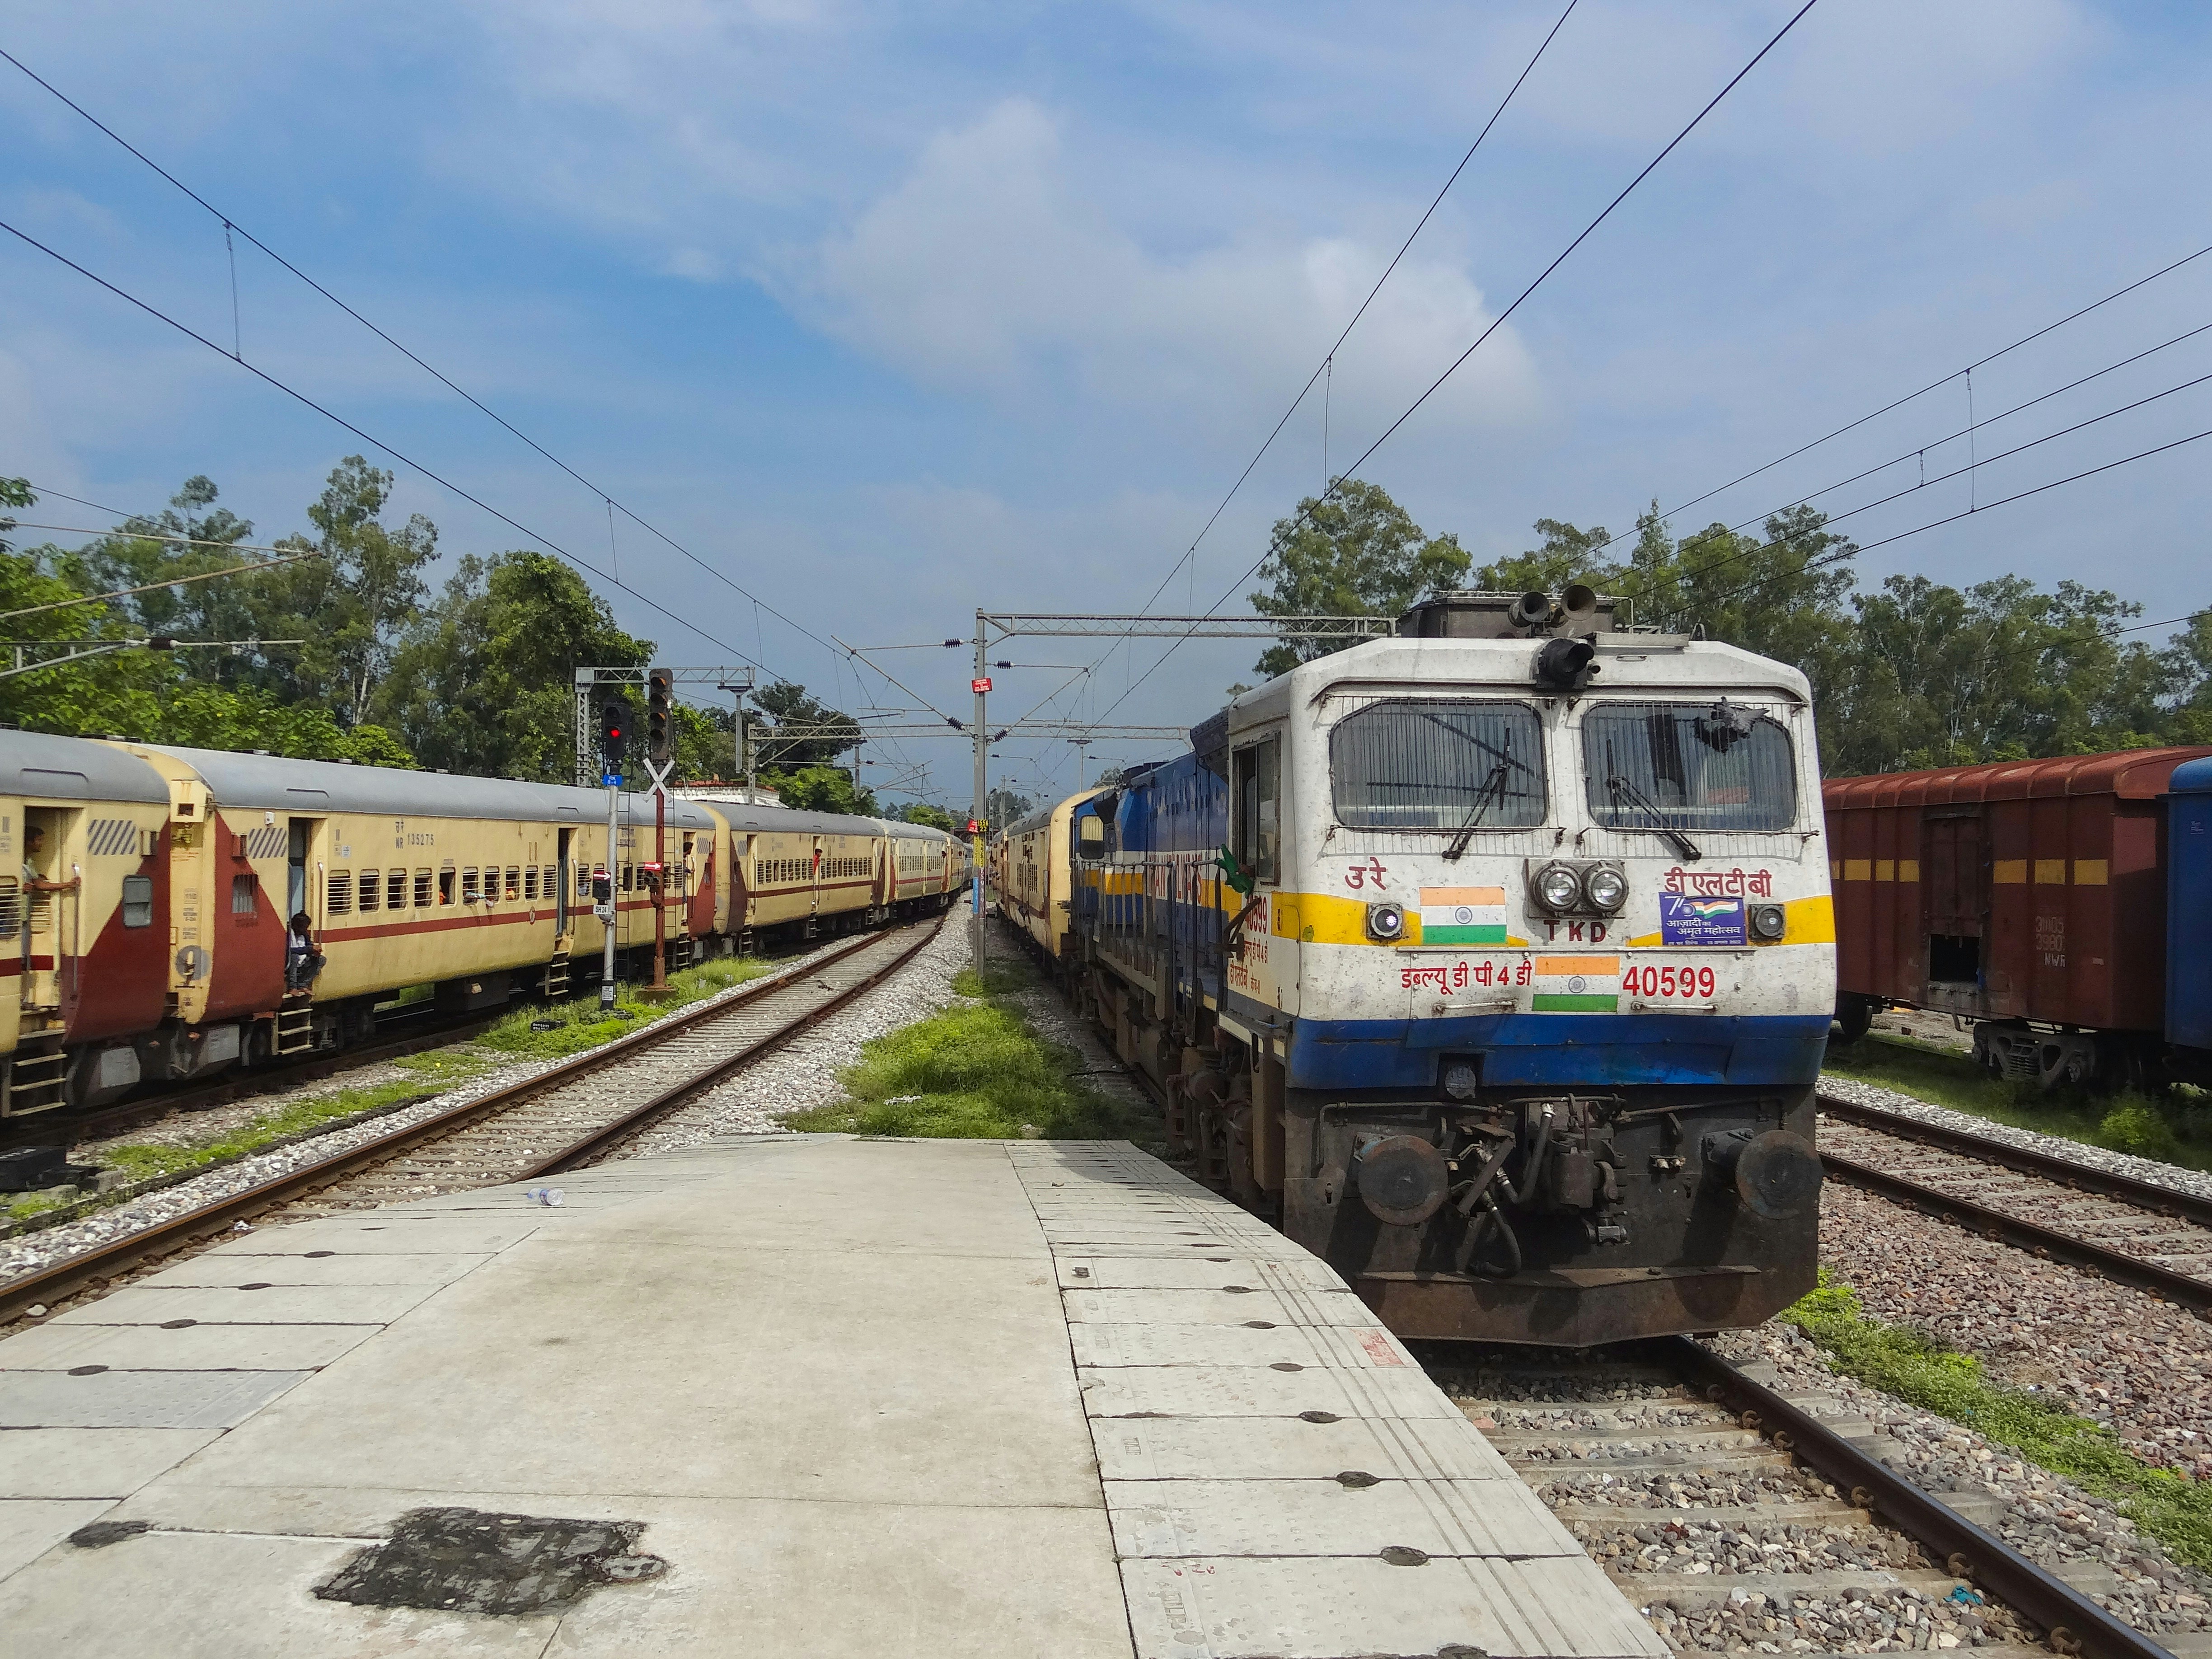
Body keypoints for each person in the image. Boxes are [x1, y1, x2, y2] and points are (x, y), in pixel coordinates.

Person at [285, 911, 325, 993]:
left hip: (303, 959)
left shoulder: (304, 934)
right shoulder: (288, 934)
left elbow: (308, 945)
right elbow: (290, 950)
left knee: (321, 959)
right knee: (294, 957)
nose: (305, 929)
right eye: (303, 927)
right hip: (289, 961)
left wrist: (315, 951)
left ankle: (303, 984)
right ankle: (293, 987)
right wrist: (309, 949)